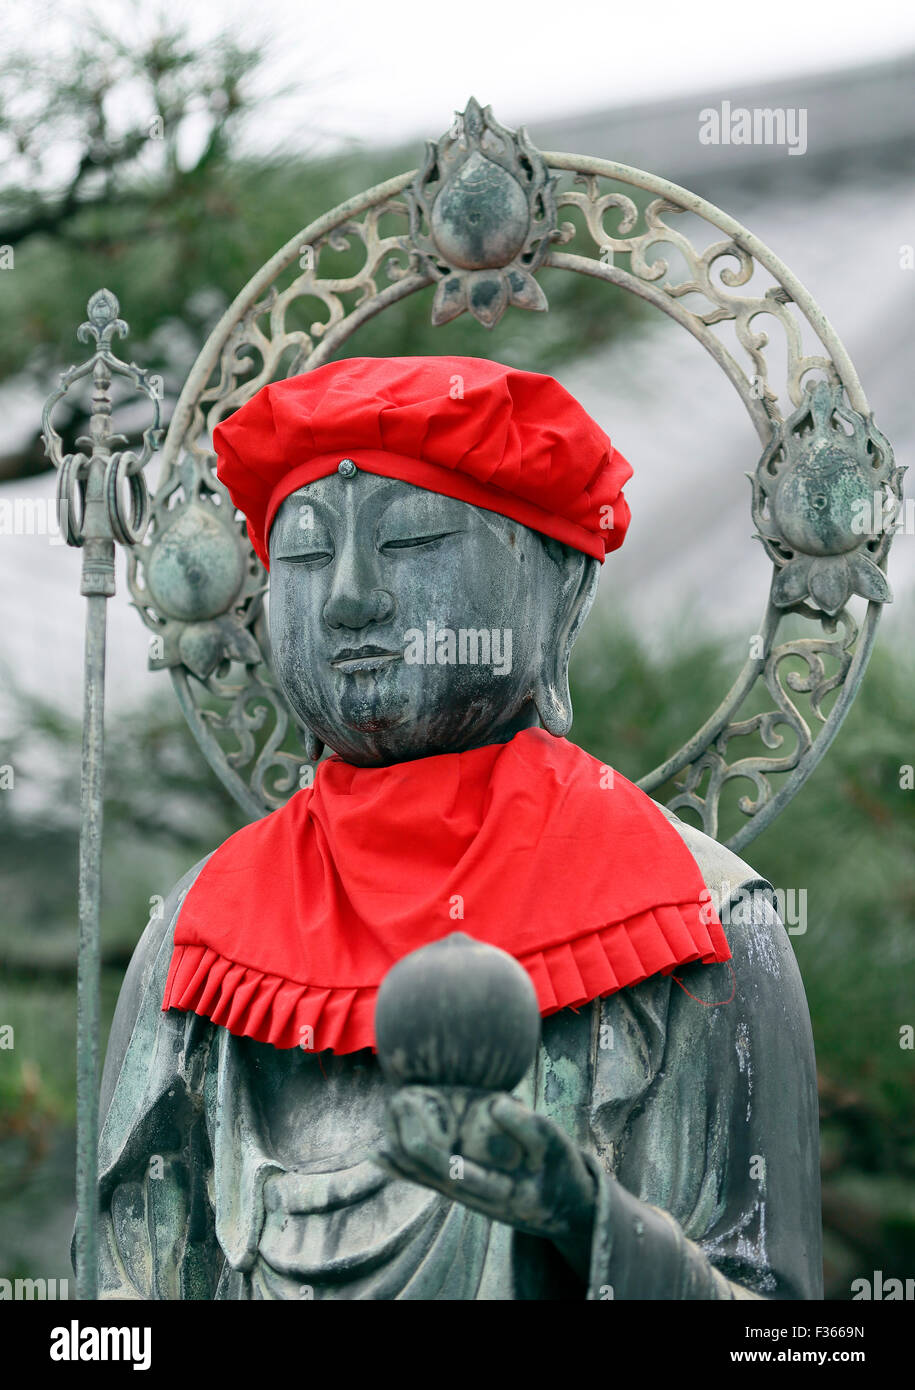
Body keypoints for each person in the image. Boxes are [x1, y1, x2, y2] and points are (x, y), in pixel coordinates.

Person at [92, 356, 822, 1300]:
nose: (351, 596)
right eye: (307, 555)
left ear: (557, 594)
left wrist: (590, 1223)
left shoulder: (703, 923)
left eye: (415, 540)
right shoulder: (196, 936)